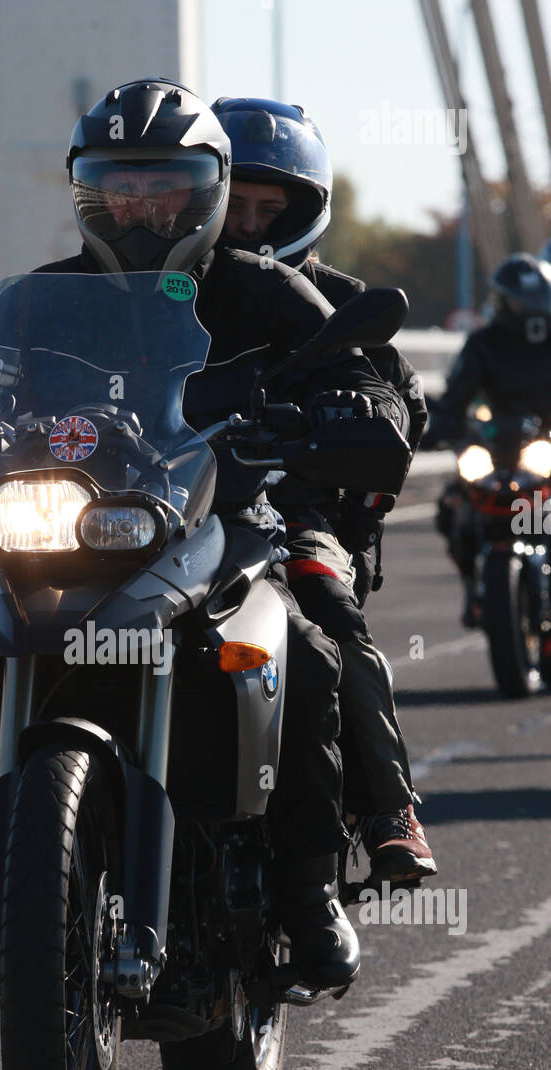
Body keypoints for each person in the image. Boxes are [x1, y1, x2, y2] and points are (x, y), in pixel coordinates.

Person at [0, 79, 410, 990]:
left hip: (225, 516)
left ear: (206, 189)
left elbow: (368, 377)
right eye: (118, 183)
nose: (141, 203)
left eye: (166, 183)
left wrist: (355, 404)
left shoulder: (267, 287)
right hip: (77, 520)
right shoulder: (37, 297)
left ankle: (311, 885)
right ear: (88, 192)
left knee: (306, 652)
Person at [209, 96, 436, 888]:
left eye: (270, 208)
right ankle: (10, 854)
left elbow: (399, 399)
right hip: (163, 507)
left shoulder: (340, 301)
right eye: (234, 202)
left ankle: (386, 807)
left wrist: (360, 418)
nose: (249, 223)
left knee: (327, 625)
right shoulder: (153, 285)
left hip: (290, 514)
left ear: (304, 210)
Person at [430, 253, 551, 626]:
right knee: (453, 506)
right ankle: (473, 583)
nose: (528, 310)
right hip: (496, 448)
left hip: (546, 444)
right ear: (500, 303)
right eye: (518, 302)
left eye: (536, 301)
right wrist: (439, 425)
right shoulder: (483, 344)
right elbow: (455, 398)